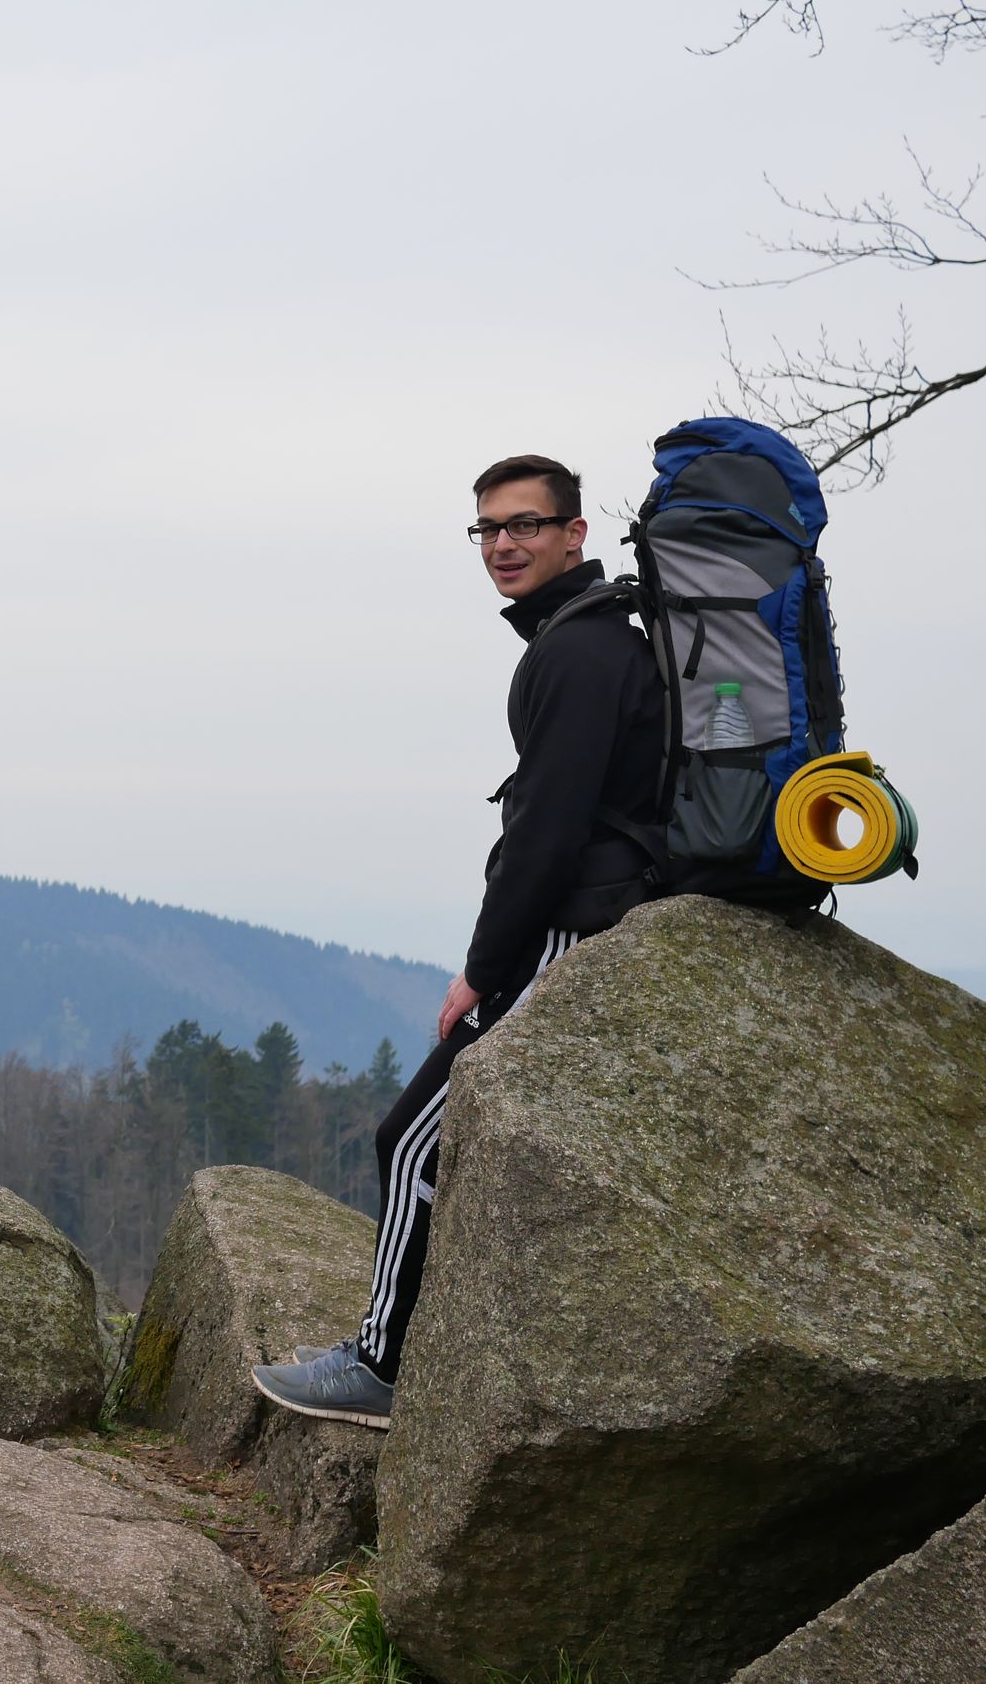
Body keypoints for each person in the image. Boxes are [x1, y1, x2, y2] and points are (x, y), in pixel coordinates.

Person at [249, 454, 665, 1427]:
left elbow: (549, 830)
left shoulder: (576, 652)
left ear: (577, 533)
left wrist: (482, 971)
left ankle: (382, 1365)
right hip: (603, 918)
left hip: (582, 929)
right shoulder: (593, 639)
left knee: (411, 1139)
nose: (505, 545)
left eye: (526, 524)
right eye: (488, 529)